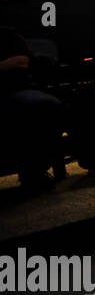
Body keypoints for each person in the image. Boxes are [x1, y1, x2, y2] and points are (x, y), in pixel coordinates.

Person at [0, 27, 65, 193]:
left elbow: (22, 61)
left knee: (44, 105)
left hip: (14, 92)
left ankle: (34, 172)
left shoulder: (7, 34)